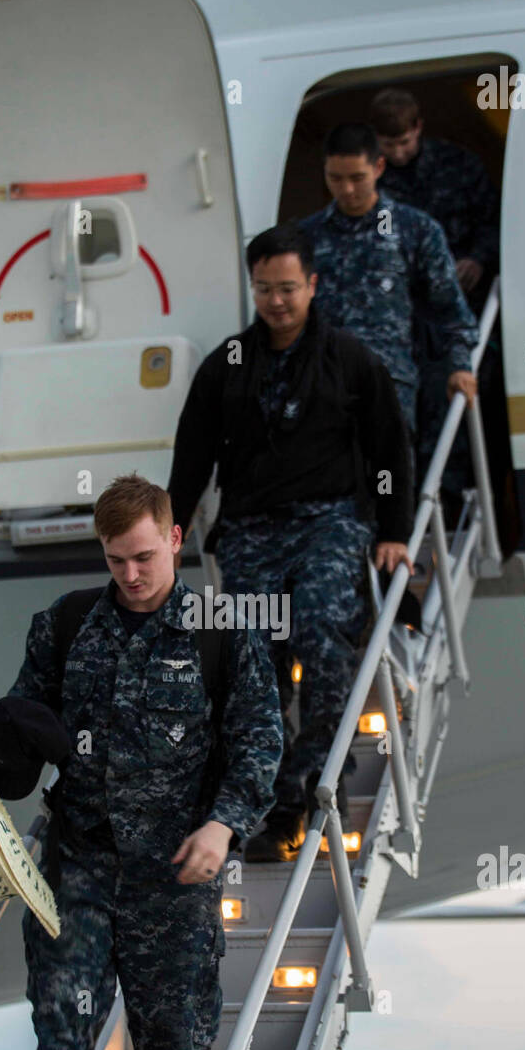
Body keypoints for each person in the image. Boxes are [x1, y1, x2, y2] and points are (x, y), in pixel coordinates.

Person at [0, 474, 282, 1050]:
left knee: (173, 1046)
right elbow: (22, 728)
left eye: (143, 557)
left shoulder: (223, 629)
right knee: (62, 1028)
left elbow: (258, 747)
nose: (132, 576)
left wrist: (224, 823)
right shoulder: (68, 625)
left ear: (175, 538)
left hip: (173, 880)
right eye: (116, 562)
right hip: (77, 867)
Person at [167, 223, 414, 862]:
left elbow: (390, 448)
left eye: (287, 288)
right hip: (251, 530)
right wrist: (172, 527)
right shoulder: (228, 364)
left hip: (330, 522)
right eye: (264, 289)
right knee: (257, 667)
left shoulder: (351, 358)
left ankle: (304, 782)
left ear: (312, 285)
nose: (276, 302)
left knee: (323, 630)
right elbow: (192, 454)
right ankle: (272, 801)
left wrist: (393, 531)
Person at [298, 122, 478, 508]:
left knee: (388, 488)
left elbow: (451, 310)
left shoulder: (415, 230)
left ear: (379, 168)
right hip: (322, 388)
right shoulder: (305, 239)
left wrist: (459, 365)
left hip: (389, 386)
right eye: (335, 178)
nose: (346, 189)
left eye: (357, 178)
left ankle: (398, 555)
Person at [370, 89, 501, 504]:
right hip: (404, 323)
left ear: (418, 128)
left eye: (405, 142)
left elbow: (496, 222)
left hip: (463, 312)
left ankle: (467, 499)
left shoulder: (459, 166)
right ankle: (423, 509)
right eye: (389, 145)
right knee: (409, 420)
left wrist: (478, 260)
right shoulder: (371, 184)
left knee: (468, 406)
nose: (399, 152)